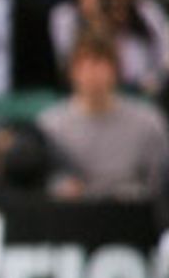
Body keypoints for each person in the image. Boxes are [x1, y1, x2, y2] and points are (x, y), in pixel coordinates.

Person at [39, 32, 169, 200]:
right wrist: (61, 186)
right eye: (83, 64)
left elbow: (159, 184)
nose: (92, 73)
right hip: (72, 216)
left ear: (116, 69)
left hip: (133, 216)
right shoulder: (50, 125)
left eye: (100, 63)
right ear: (71, 71)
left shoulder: (149, 122)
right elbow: (45, 180)